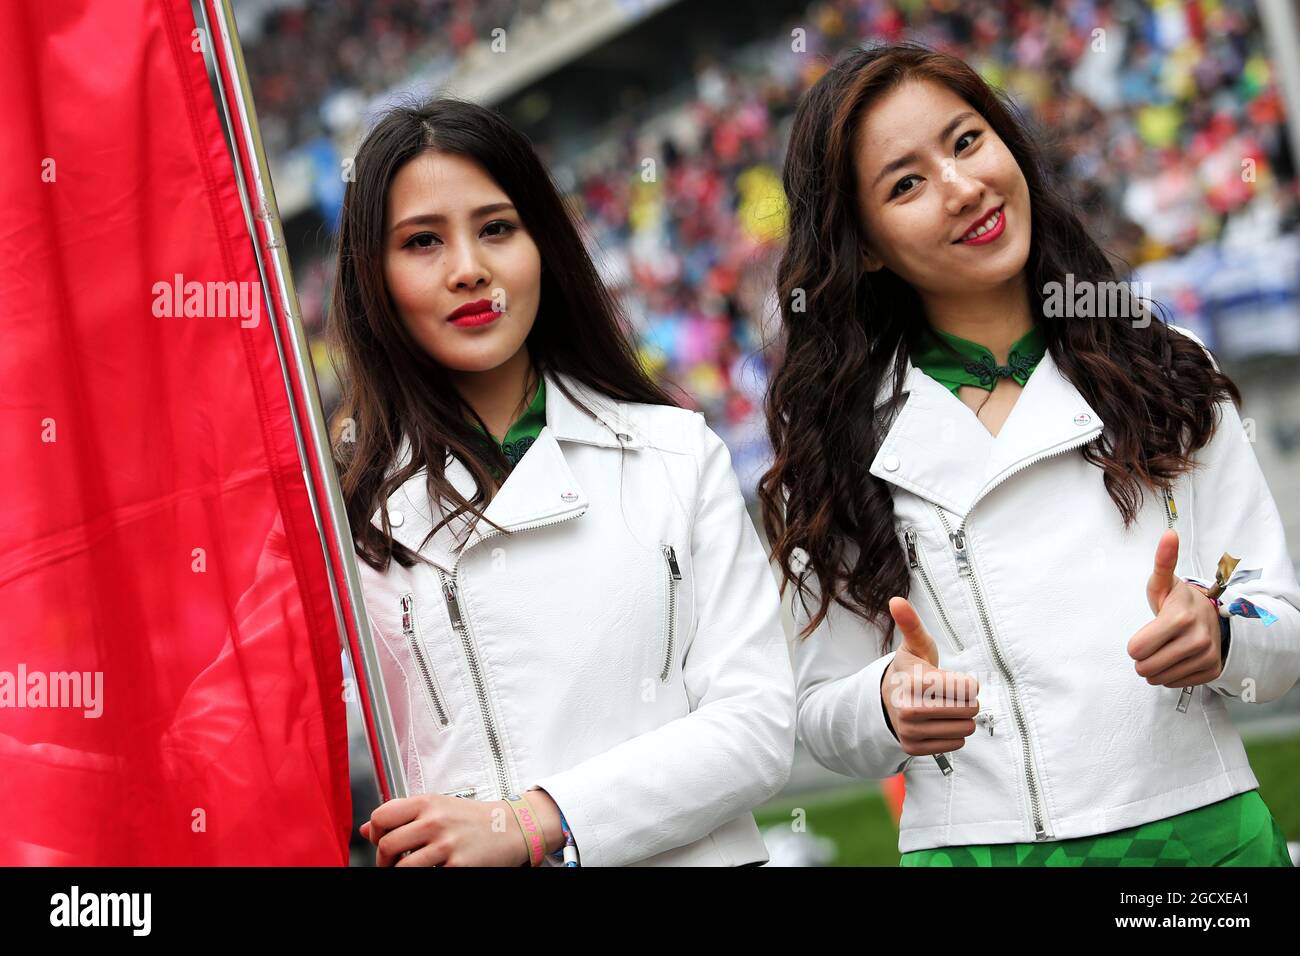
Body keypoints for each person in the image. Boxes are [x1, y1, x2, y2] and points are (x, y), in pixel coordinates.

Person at [759, 43, 1298, 866]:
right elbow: (824, 712)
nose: (963, 187)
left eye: (968, 141)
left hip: (1205, 846)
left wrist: (1223, 636)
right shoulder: (838, 442)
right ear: (862, 245)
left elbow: (1284, 635)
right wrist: (887, 701)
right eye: (905, 183)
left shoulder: (1167, 369)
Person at [327, 97, 795, 867]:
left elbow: (757, 726)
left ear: (542, 242)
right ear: (373, 278)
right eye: (421, 241)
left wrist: (532, 821)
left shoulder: (674, 453)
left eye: (496, 228)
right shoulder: (349, 518)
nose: (469, 268)